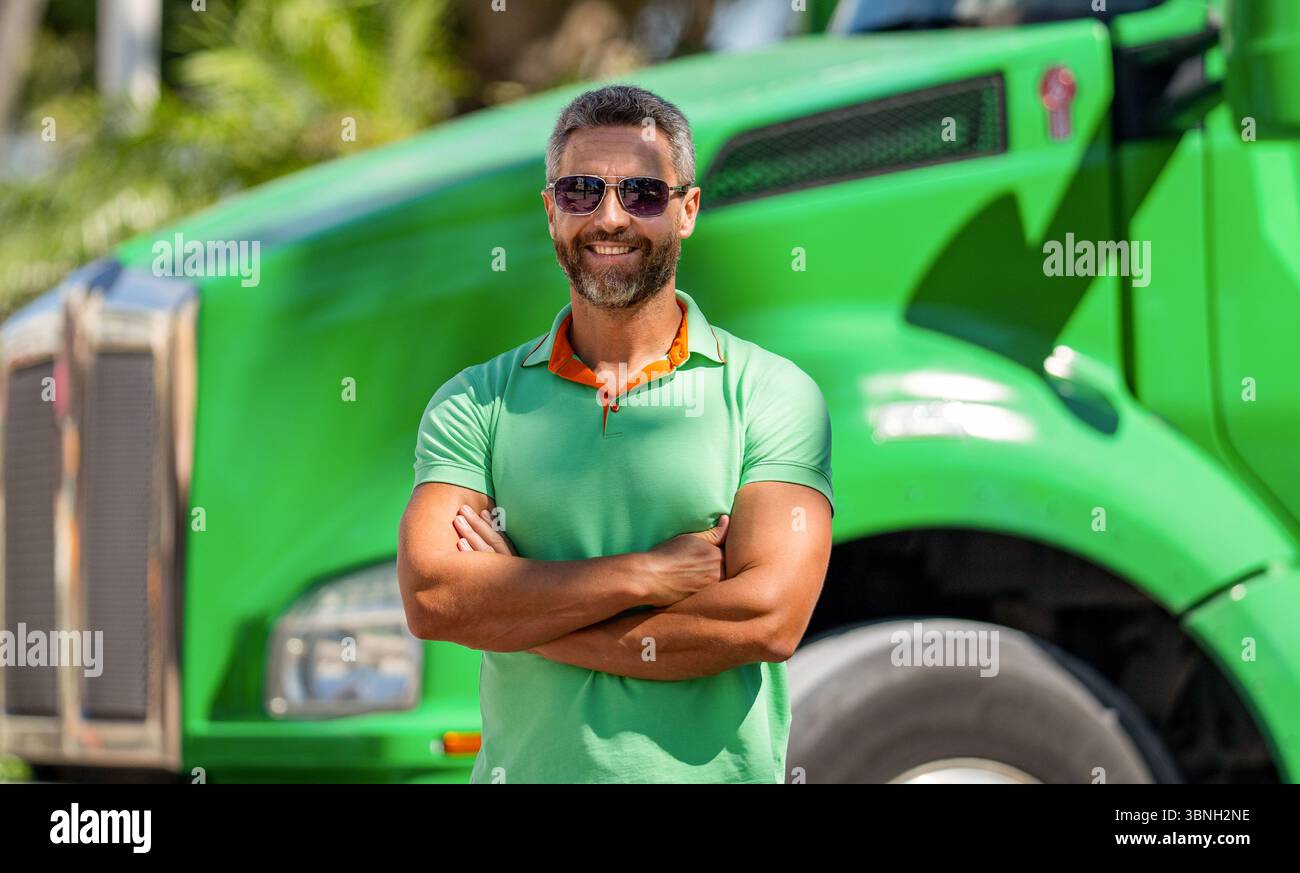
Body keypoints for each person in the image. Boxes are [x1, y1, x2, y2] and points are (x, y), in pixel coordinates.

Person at [397, 84, 833, 783]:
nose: (609, 218)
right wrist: (651, 573)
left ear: (687, 210)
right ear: (549, 212)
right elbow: (433, 599)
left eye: (642, 194)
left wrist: (522, 612)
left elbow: (766, 618)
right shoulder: (474, 401)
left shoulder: (773, 395)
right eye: (580, 192)